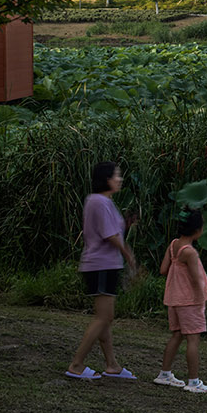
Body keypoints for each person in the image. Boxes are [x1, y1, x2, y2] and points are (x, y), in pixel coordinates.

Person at [66, 162, 140, 380]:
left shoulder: (103, 201)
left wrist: (125, 224)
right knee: (103, 317)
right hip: (101, 265)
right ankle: (76, 364)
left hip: (105, 264)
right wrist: (128, 253)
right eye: (117, 175)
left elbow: (109, 229)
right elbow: (109, 235)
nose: (120, 179)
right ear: (106, 179)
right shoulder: (99, 201)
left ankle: (112, 365)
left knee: (105, 318)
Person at [154, 209, 207, 394]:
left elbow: (163, 269)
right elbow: (197, 280)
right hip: (190, 301)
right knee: (193, 340)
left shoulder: (174, 245)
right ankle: (194, 381)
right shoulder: (190, 253)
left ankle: (164, 374)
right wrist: (206, 301)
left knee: (177, 335)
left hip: (174, 299)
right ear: (197, 230)